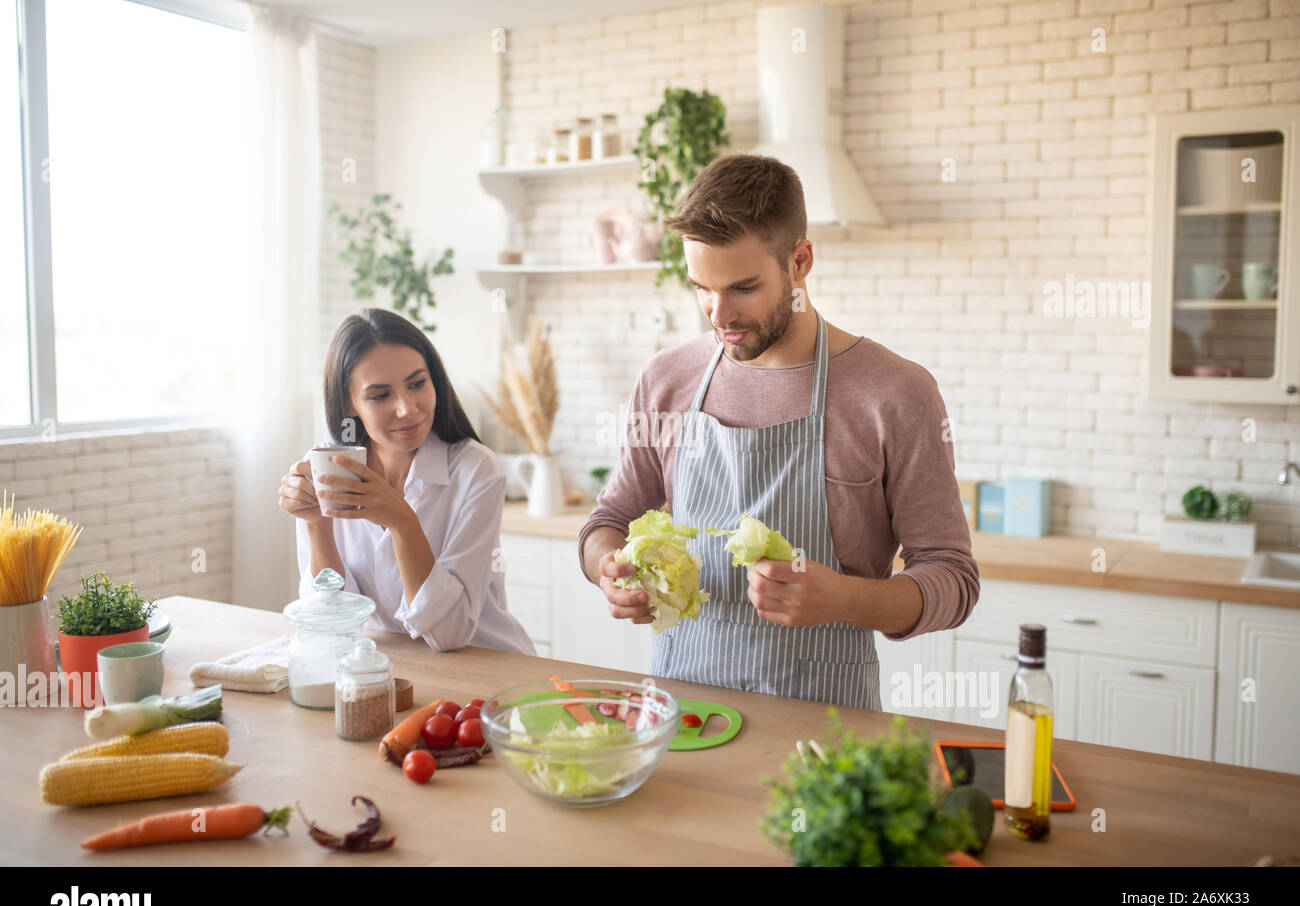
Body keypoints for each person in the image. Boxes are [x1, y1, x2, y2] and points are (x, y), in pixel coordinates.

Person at [578, 154, 979, 709]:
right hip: (685, 720)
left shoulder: (895, 394)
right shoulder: (666, 380)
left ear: (800, 261)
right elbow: (608, 522)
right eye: (701, 288)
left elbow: (953, 580)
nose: (719, 315)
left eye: (744, 288)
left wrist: (846, 599)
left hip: (825, 733)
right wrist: (609, 569)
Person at [278, 308, 534, 655]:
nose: (407, 409)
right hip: (387, 668)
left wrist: (401, 521)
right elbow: (331, 621)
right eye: (380, 395)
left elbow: (451, 633)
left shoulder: (476, 470)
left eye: (417, 384)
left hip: (483, 666)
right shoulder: (325, 468)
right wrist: (316, 524)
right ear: (347, 402)